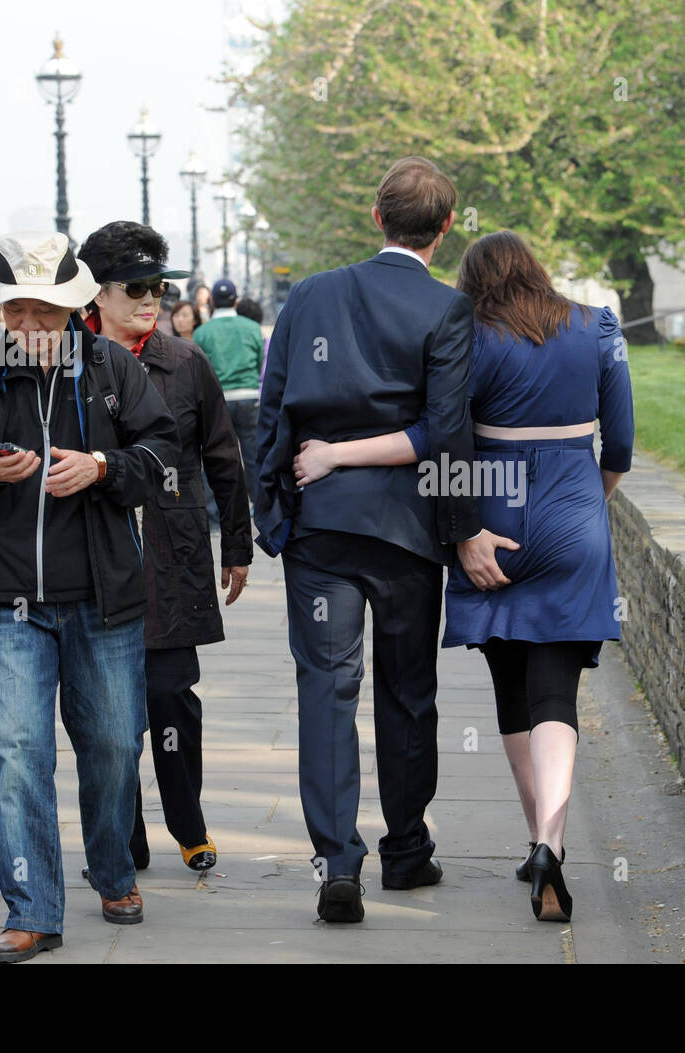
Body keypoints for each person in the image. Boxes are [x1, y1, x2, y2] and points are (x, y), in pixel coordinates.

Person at [291, 230, 634, 923]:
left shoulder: (470, 335)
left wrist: (335, 455)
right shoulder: (597, 326)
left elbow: (431, 434)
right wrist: (587, 506)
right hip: (572, 506)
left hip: (491, 518)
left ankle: (537, 836)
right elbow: (620, 440)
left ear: (475, 283)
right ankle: (550, 845)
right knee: (555, 692)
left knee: (512, 684)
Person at [0, 231, 180, 964]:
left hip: (103, 599)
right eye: (15, 313)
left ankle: (112, 866)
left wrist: (101, 467)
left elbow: (163, 455)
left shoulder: (110, 368)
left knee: (110, 744)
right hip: (11, 601)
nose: (27, 327)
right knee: (19, 750)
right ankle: (33, 906)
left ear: (71, 308)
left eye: (41, 311)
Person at [252, 156, 482, 923]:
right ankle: (407, 850)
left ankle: (335, 860)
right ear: (446, 229)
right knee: (407, 692)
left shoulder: (311, 295)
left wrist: (273, 513)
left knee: (326, 686)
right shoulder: (447, 310)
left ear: (374, 216)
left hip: (322, 525)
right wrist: (459, 536)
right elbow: (446, 434)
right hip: (408, 532)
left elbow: (272, 410)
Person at [77, 220, 253, 874]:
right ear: (96, 293)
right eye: (136, 287)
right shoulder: (68, 363)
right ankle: (124, 829)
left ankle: (188, 820)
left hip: (170, 555)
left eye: (160, 285)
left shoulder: (184, 363)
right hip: (90, 561)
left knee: (173, 695)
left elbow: (224, 456)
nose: (152, 298)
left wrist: (238, 542)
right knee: (107, 716)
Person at [192, 278, 264, 523]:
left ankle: (214, 514)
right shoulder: (253, 328)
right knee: (253, 456)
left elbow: (199, 369)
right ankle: (259, 507)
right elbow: (259, 362)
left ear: (212, 300)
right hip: (248, 396)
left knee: (216, 456)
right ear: (236, 299)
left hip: (219, 398)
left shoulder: (201, 332)